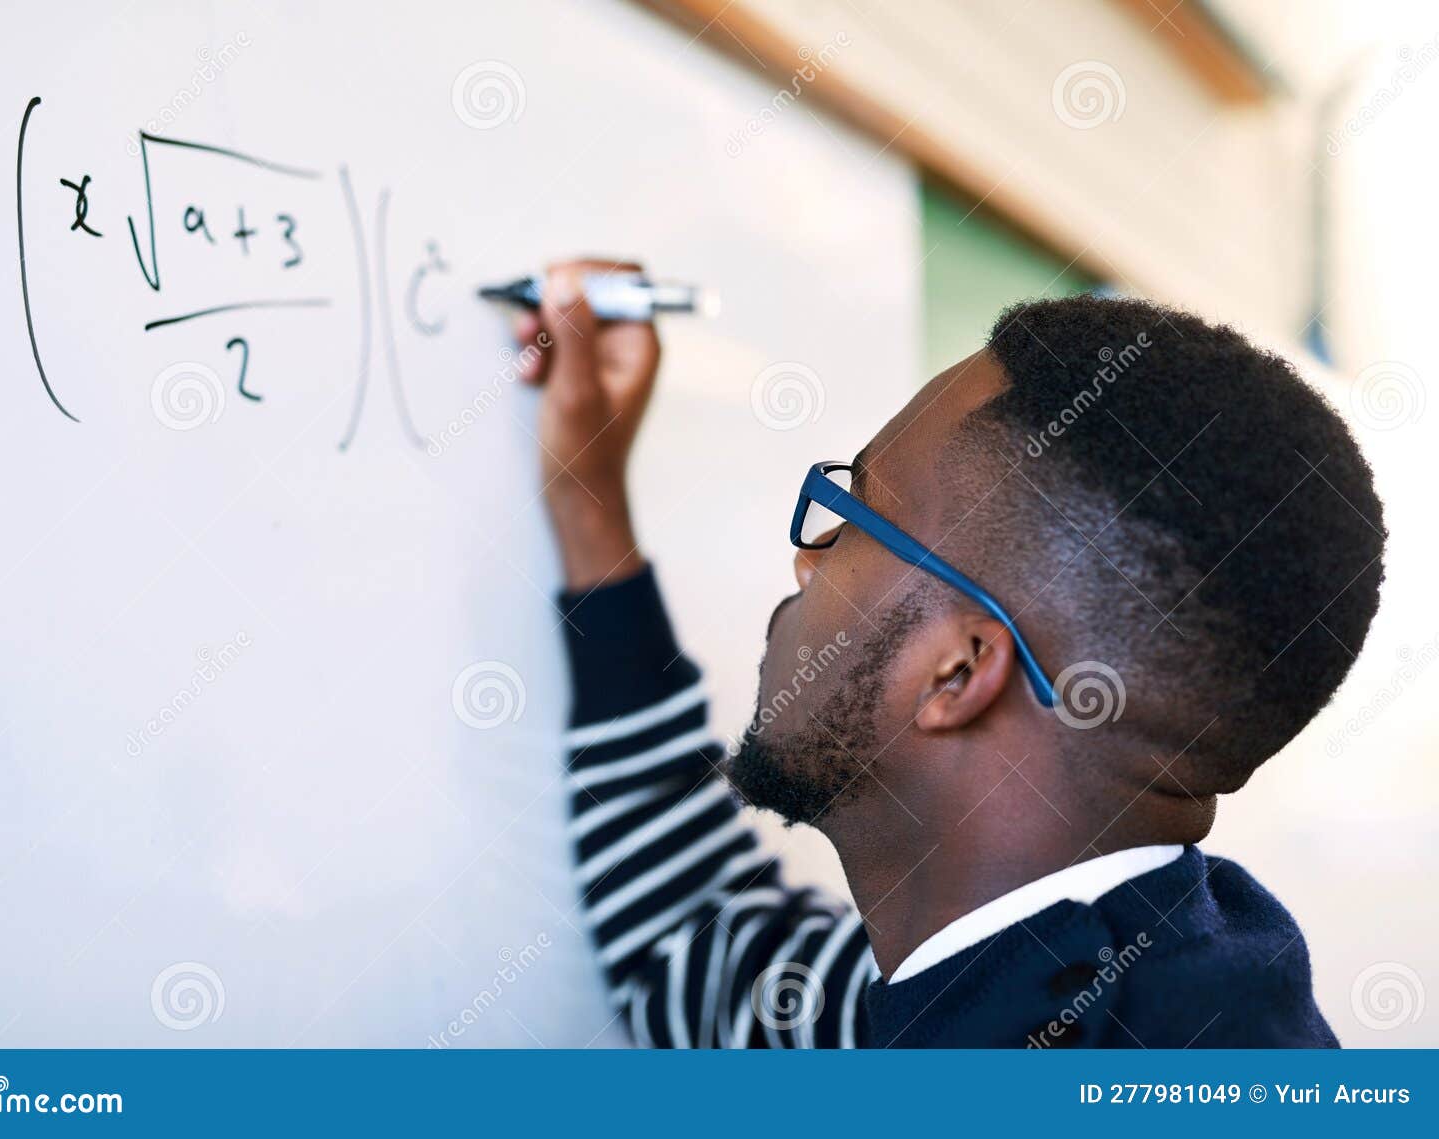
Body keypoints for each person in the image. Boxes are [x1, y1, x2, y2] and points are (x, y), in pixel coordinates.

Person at [516, 258, 1385, 1048]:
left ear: (959, 672)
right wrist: (586, 496)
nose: (807, 557)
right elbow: (689, 945)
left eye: (855, 515)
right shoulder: (1067, 973)